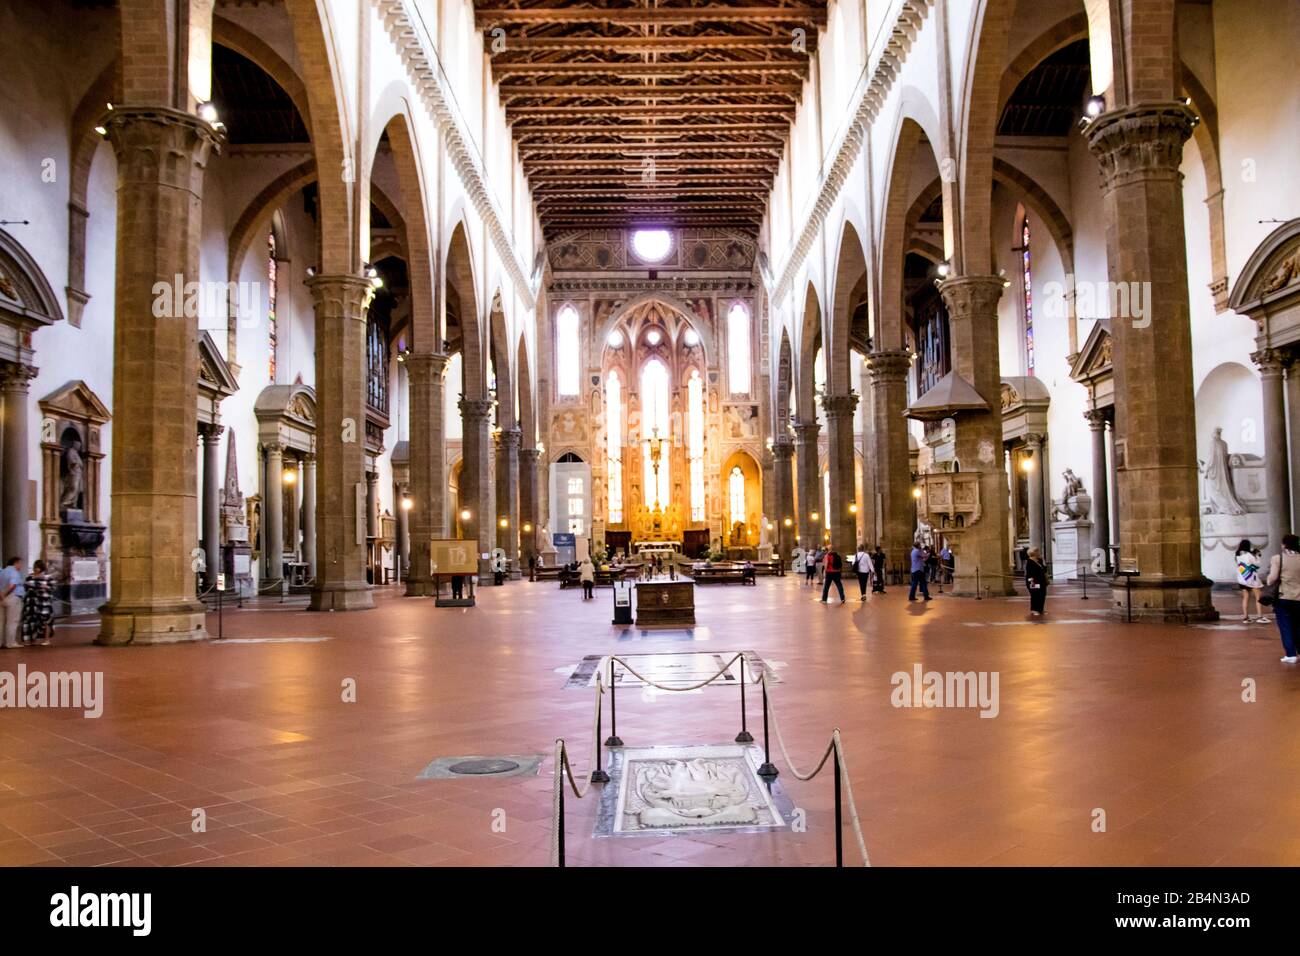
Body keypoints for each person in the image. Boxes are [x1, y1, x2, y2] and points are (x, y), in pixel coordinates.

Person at [1266, 534, 1300, 663]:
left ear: (1284, 544)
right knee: (1298, 626)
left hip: (1284, 596)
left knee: (1286, 626)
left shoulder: (1278, 558)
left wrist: (1268, 581)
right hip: (1299, 598)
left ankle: (1291, 654)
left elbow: (1273, 577)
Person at [21, 559, 54, 646]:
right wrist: (38, 585)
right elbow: (26, 586)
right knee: (31, 620)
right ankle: (32, 640)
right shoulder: (29, 577)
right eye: (35, 567)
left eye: (38, 568)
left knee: (45, 621)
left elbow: (52, 587)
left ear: (42, 568)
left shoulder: (48, 577)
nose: (36, 569)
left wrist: (43, 586)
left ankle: (46, 639)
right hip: (31, 602)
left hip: (44, 602)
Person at [1234, 539, 1267, 623]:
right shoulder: (1249, 555)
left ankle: (1246, 618)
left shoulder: (1237, 555)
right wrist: (1258, 556)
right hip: (1252, 579)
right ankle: (1260, 617)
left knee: (1245, 597)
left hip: (1242, 579)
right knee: (1258, 597)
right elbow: (1257, 565)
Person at [0, 557, 24, 649]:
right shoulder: (14, 572)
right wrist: (4, 594)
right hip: (13, 597)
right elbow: (12, 585)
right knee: (12, 621)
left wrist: (1, 595)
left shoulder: (2, 571)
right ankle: (10, 642)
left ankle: (0, 641)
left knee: (1, 622)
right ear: (16, 563)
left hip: (1, 599)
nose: (20, 566)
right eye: (20, 563)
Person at [1025, 547, 1048, 616]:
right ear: (1033, 553)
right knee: (1035, 595)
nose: (1038, 553)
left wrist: (1043, 561)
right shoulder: (1029, 562)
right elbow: (1029, 574)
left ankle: (1040, 609)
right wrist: (1032, 583)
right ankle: (1034, 610)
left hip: (1041, 581)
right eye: (1037, 551)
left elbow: (1044, 570)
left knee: (1042, 595)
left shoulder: (1039, 560)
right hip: (1033, 582)